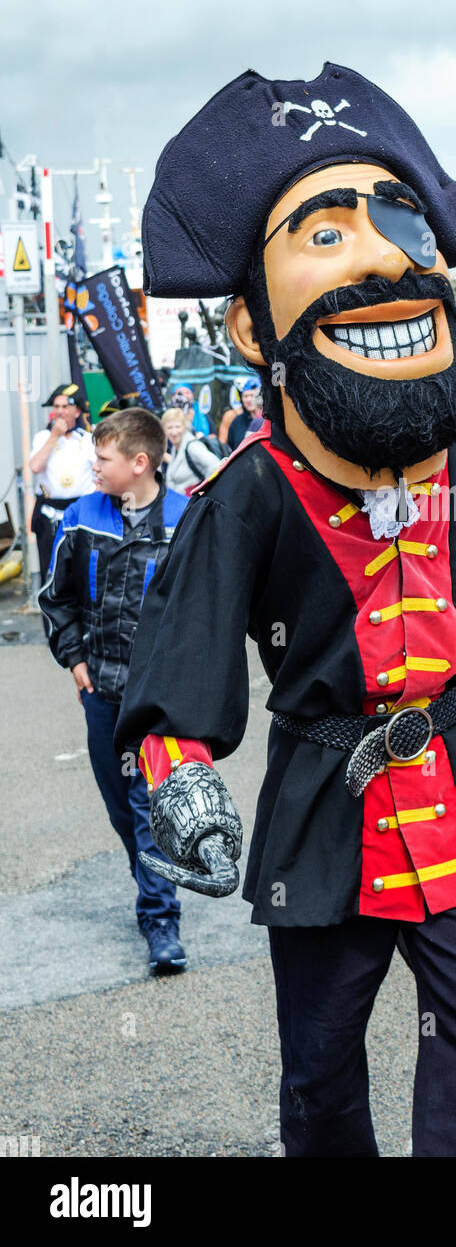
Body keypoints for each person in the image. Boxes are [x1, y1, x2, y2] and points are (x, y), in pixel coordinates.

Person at [116, 64, 456, 1158]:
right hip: (325, 799)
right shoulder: (249, 491)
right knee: (318, 1064)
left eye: (403, 217)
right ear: (255, 329)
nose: (387, 253)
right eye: (326, 232)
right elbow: (186, 654)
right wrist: (181, 782)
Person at [38, 409, 190, 971]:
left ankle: (160, 921)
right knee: (122, 810)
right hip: (100, 694)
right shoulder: (79, 517)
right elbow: (56, 598)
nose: (92, 467)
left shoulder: (186, 520)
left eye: (102, 459)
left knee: (148, 808)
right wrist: (74, 660)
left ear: (139, 462)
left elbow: (202, 615)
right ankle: (153, 883)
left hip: (157, 702)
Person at [28, 383, 96, 585]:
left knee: (80, 571)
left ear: (77, 411)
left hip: (81, 509)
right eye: (56, 407)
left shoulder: (87, 439)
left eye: (65, 407)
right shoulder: (42, 437)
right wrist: (54, 437)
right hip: (50, 511)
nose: (59, 411)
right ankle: (49, 616)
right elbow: (35, 466)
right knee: (49, 571)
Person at [161, 407, 223, 493]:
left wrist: (204, 492)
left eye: (177, 427)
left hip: (193, 503)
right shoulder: (176, 448)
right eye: (169, 428)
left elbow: (216, 466)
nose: (174, 432)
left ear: (185, 427)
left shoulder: (192, 446)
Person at [226, 377, 264, 450]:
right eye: (245, 396)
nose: (248, 400)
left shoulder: (269, 421)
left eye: (252, 395)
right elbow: (230, 446)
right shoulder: (237, 421)